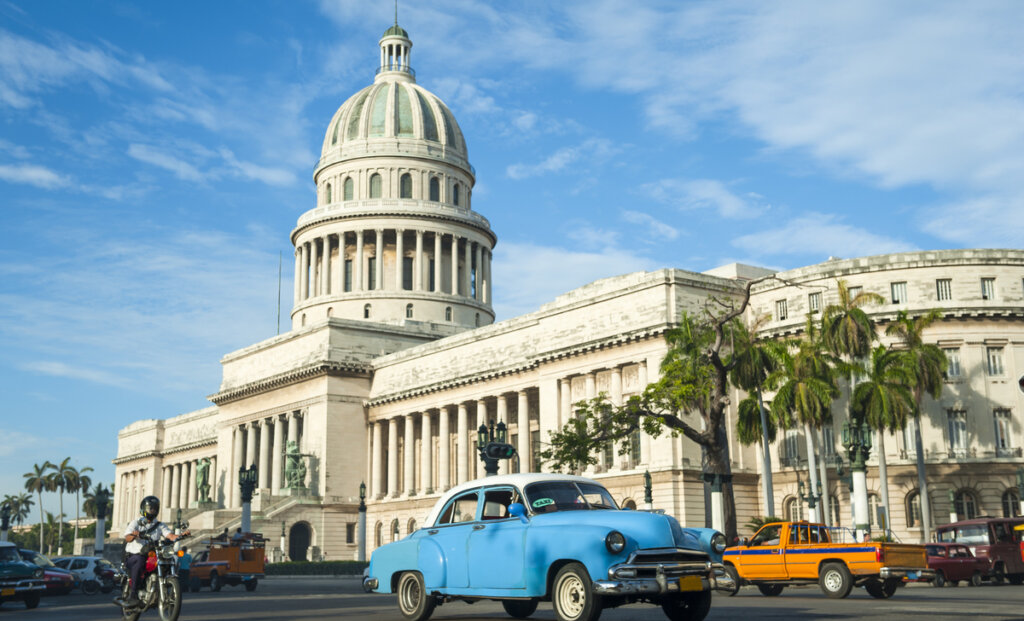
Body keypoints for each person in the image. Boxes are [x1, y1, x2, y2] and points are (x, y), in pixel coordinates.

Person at [121, 496, 188, 608]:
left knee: (170, 560)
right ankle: (133, 595)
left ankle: (164, 588)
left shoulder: (160, 525)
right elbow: (127, 537)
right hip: (135, 555)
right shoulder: (136, 523)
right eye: (150, 508)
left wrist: (181, 535)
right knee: (140, 561)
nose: (152, 511)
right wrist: (135, 535)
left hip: (152, 555)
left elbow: (170, 535)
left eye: (154, 508)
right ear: (144, 508)